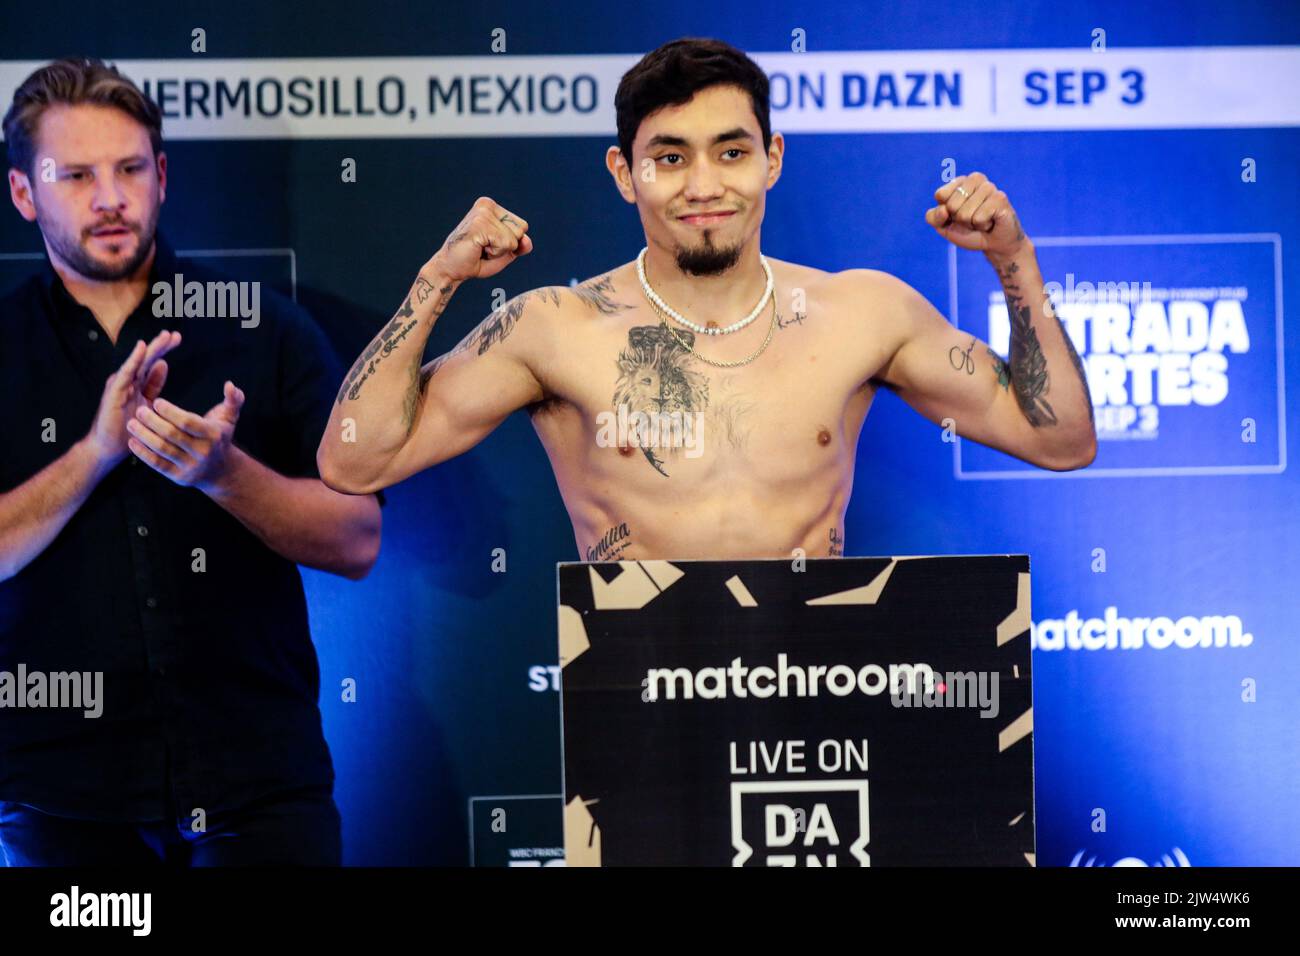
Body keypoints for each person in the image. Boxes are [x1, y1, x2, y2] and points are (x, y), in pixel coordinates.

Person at [317, 37, 1095, 561]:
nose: (703, 186)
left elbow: (1059, 441)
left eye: (731, 152)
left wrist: (1013, 259)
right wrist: (437, 281)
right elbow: (355, 461)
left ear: (772, 160)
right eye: (669, 157)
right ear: (624, 174)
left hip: (821, 703)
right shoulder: (555, 329)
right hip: (635, 721)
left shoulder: (864, 314)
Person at [0, 58, 381, 865]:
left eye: (130, 169)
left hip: (261, 789)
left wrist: (223, 474)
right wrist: (97, 452)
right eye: (75, 175)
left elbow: (357, 540)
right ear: (24, 194)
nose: (109, 197)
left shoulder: (263, 328)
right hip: (58, 800)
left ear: (162, 175)